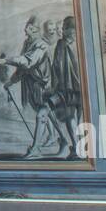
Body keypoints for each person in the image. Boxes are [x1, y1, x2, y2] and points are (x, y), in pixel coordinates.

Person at [0, 17, 53, 158]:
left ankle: (36, 149)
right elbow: (22, 68)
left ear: (35, 29)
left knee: (42, 113)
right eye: (26, 26)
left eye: (28, 27)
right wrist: (11, 82)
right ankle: (55, 137)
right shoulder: (27, 43)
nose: (25, 29)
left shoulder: (42, 45)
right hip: (33, 86)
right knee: (46, 113)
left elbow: (28, 62)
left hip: (44, 85)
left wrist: (6, 60)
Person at [44, 16, 82, 157]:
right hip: (80, 89)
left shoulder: (61, 44)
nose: (62, 30)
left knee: (66, 116)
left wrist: (53, 87)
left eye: (64, 27)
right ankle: (78, 148)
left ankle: (72, 145)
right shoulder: (80, 42)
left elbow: (57, 67)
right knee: (77, 118)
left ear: (67, 30)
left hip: (66, 89)